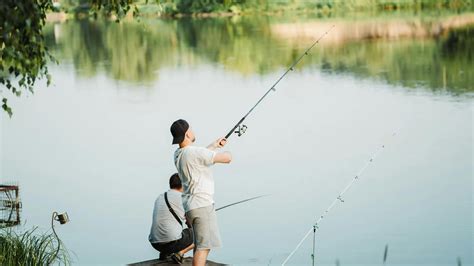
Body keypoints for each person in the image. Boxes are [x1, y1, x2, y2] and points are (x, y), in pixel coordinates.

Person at [170, 119, 232, 266]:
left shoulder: (178, 154)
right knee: (203, 248)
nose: (192, 130)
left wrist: (214, 145)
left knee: (199, 245)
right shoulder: (194, 152)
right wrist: (228, 152)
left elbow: (198, 158)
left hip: (190, 207)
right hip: (203, 206)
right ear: (187, 133)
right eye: (190, 128)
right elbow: (227, 159)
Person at [149, 173, 194, 264]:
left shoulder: (160, 197)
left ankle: (166, 253)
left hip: (155, 243)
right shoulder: (183, 198)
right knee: (201, 232)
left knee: (170, 229)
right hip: (171, 243)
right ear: (184, 184)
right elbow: (190, 223)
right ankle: (179, 253)